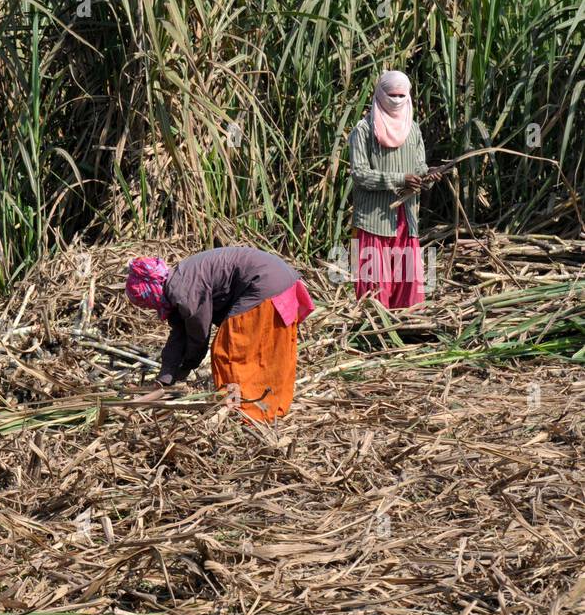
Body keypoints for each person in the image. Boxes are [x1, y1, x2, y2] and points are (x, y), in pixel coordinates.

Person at [125, 247, 314, 422]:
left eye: (148, 305)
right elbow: (179, 332)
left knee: (229, 352)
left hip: (264, 284)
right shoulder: (178, 281)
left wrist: (189, 364)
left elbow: (198, 335)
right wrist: (166, 377)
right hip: (278, 278)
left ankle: (244, 412)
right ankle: (272, 406)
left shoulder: (183, 290)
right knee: (268, 353)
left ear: (151, 294)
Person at [348, 70, 435, 308]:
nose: (396, 101)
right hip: (373, 220)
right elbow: (360, 174)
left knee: (407, 279)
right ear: (379, 94)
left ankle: (407, 332)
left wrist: (428, 177)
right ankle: (377, 332)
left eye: (401, 95)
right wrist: (400, 179)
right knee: (375, 283)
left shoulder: (413, 129)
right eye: (391, 95)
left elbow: (420, 167)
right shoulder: (364, 130)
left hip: (406, 219)